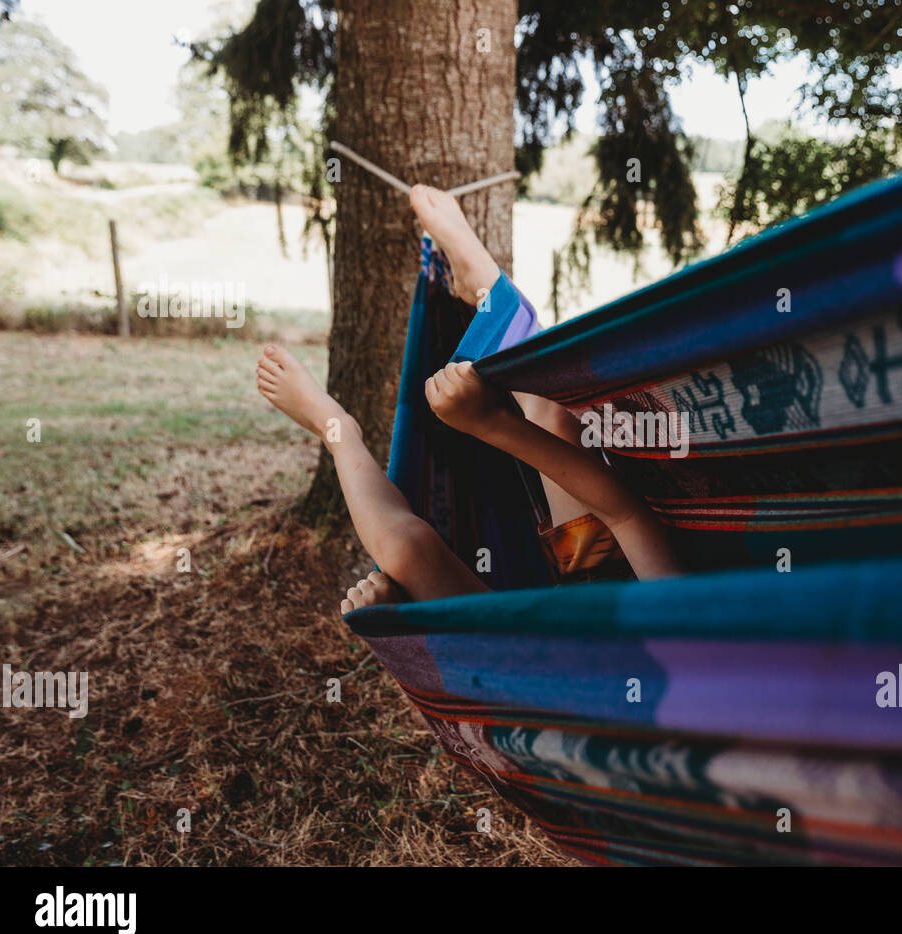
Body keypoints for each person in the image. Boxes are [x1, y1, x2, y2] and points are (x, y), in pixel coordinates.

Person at [255, 183, 680, 615]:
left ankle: (338, 430)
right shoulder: (684, 623)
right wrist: (492, 423)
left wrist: (404, 637)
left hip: (519, 645)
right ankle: (494, 304)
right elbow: (627, 516)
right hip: (597, 581)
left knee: (406, 551)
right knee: (551, 413)